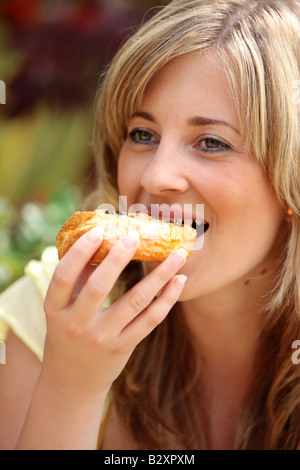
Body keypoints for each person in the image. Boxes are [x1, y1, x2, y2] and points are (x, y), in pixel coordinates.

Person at [0, 0, 299, 450]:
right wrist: (71, 386)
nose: (156, 177)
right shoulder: (53, 314)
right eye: (143, 135)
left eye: (212, 143)